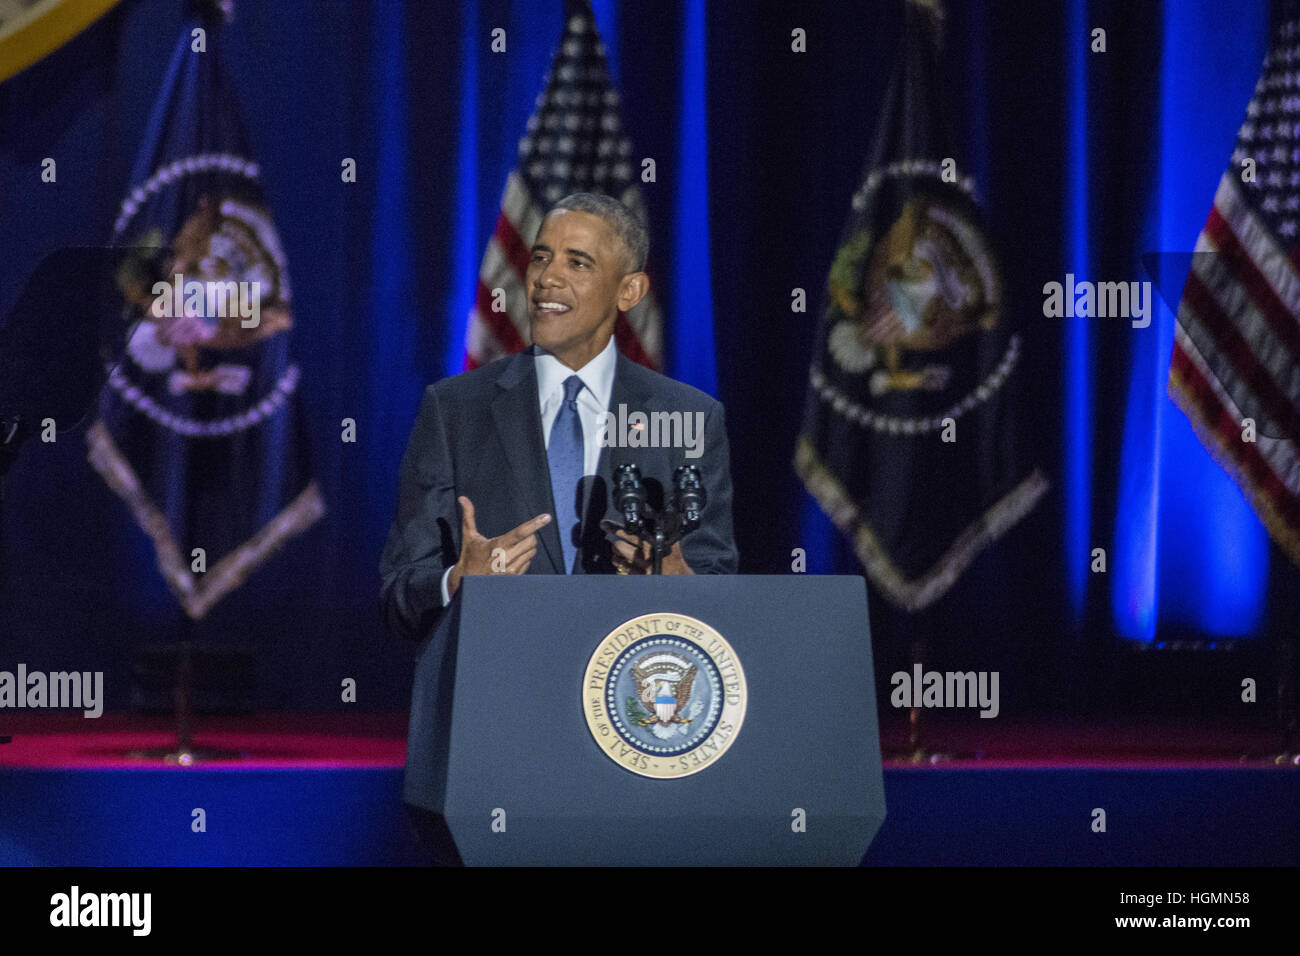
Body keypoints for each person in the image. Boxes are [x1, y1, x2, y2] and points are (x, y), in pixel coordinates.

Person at [379, 193, 738, 643]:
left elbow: (718, 591)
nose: (547, 277)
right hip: (497, 676)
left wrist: (680, 583)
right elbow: (398, 594)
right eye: (541, 257)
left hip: (627, 679)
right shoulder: (453, 409)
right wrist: (456, 582)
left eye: (578, 263)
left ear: (629, 291)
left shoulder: (688, 417)